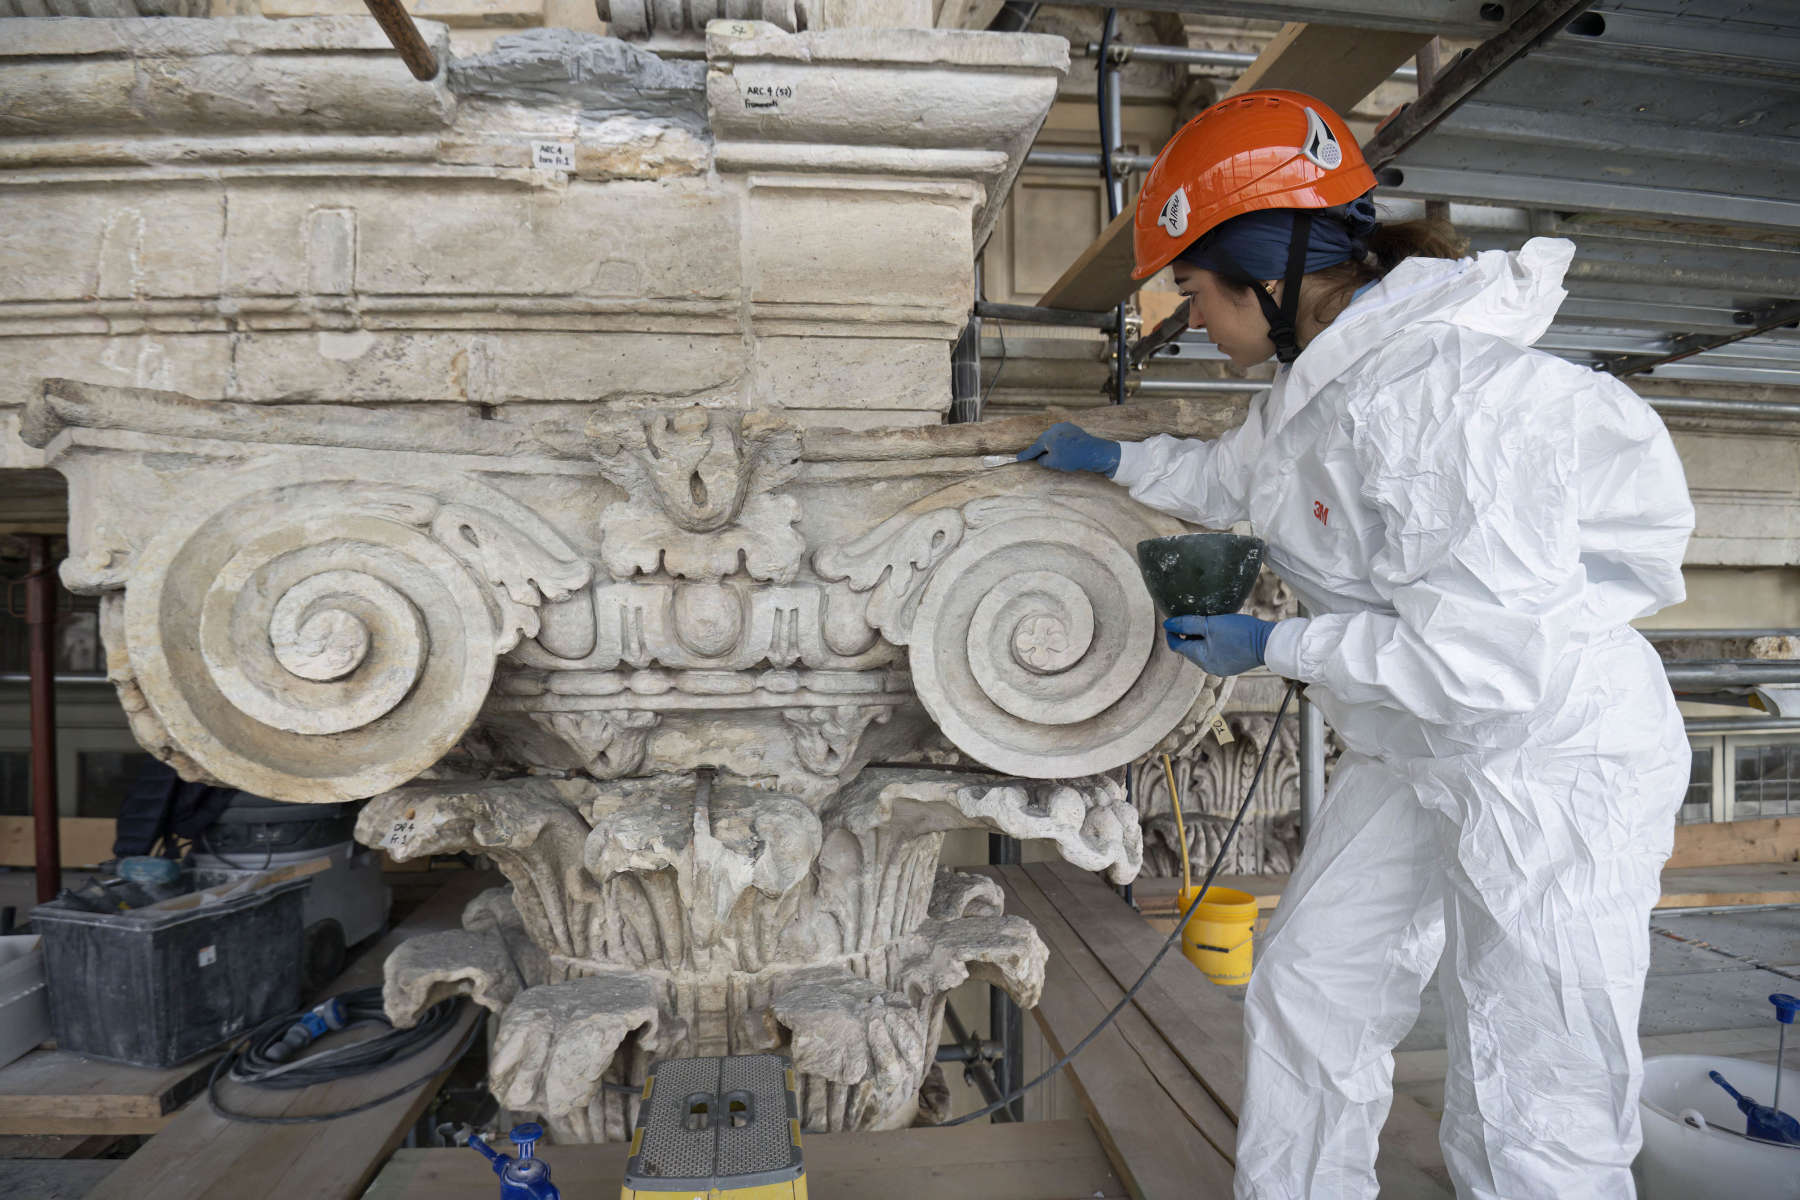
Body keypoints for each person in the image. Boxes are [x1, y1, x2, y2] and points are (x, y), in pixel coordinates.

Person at [1018, 90, 1695, 1199]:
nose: (1194, 319)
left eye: (1196, 292)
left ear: (1264, 273)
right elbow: (1240, 477)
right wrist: (1116, 460)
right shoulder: (1324, 388)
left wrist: (1275, 645)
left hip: (1543, 761)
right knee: (1314, 985)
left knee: (1533, 1096)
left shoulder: (1450, 407)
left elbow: (1482, 663)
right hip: (1422, 746)